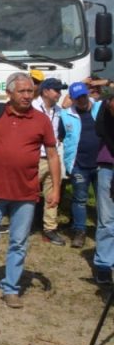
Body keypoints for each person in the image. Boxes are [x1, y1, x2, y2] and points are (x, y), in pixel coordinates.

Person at [0, 72, 60, 308]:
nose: (28, 95)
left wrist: (56, 188)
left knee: (18, 242)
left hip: (26, 193)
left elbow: (52, 155)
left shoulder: (41, 120)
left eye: (31, 91)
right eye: (22, 91)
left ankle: (11, 288)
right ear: (9, 93)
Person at [62, 81, 102, 250]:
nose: (82, 100)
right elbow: (60, 138)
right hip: (79, 164)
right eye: (78, 98)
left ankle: (105, 231)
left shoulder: (101, 108)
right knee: (79, 199)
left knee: (105, 200)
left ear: (89, 93)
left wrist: (103, 82)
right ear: (72, 99)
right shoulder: (65, 115)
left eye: (84, 96)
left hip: (102, 165)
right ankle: (79, 231)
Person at [32, 78, 67, 246]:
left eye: (60, 90)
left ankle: (50, 228)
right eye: (56, 90)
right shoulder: (32, 107)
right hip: (34, 156)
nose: (59, 93)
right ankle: (20, 223)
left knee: (53, 191)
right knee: (25, 190)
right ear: (45, 91)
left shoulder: (59, 110)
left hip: (52, 156)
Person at [92, 90, 114, 285]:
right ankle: (104, 265)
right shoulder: (106, 106)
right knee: (107, 220)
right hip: (108, 166)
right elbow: (100, 130)